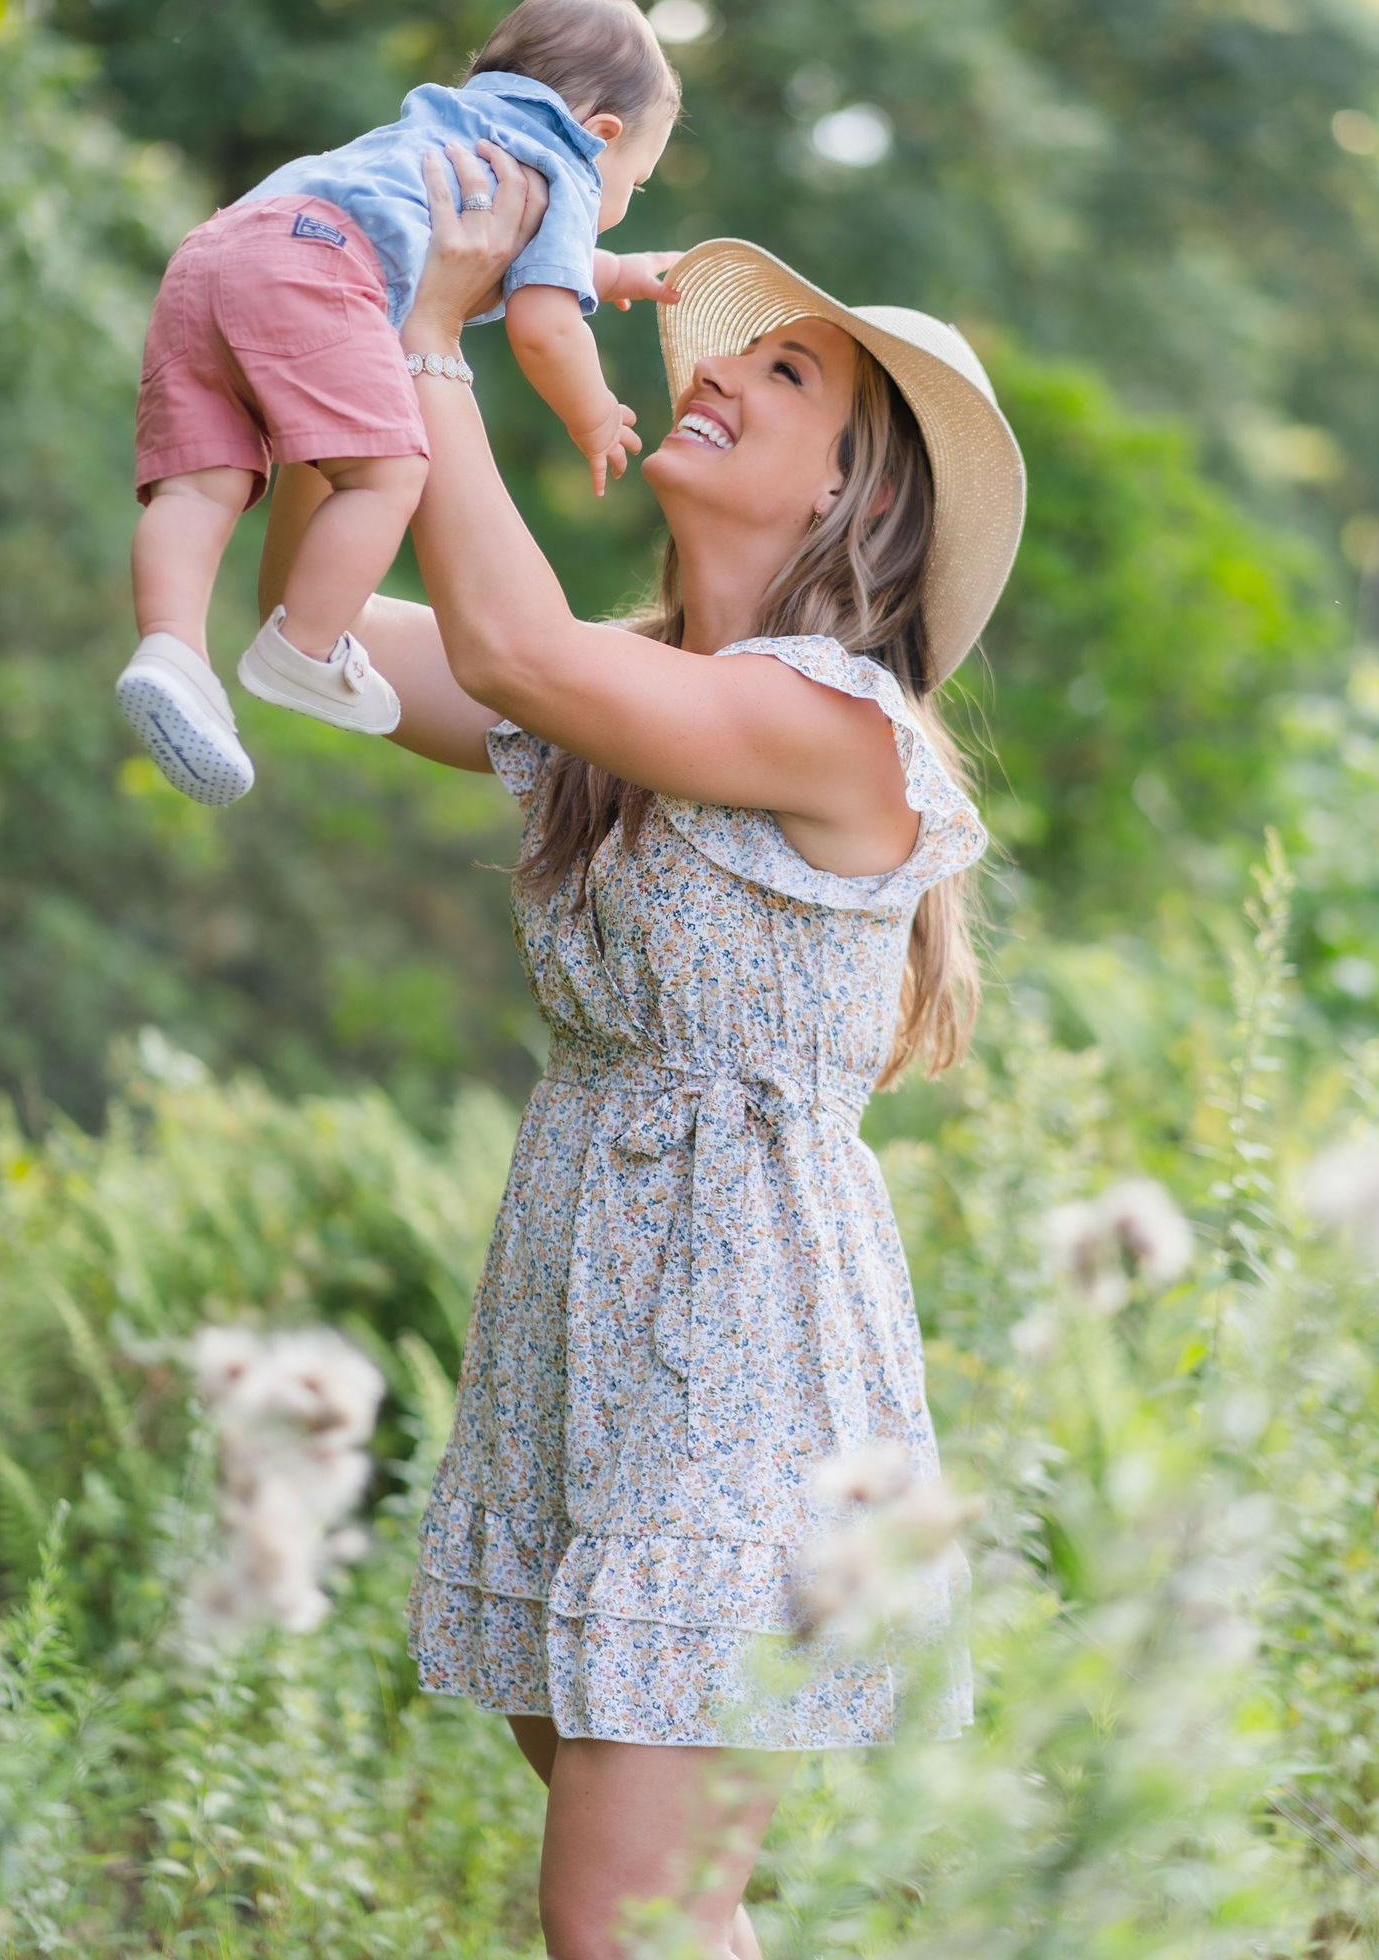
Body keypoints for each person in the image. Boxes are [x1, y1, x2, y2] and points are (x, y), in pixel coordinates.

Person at [262, 144, 1026, 1960]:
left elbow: (513, 650)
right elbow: (309, 611)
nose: (719, 370)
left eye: (786, 372)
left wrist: (444, 336)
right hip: (581, 1297)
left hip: (741, 1333)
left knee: (617, 1918)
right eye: (730, 351)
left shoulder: (834, 724)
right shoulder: (621, 692)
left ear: (850, 485)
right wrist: (349, 293)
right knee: (674, 1917)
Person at [115, 0, 682, 806]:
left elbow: (510, 242)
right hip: (318, 263)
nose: (624, 201)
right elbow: (544, 325)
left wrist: (619, 272)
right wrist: (592, 415)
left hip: (223, 243)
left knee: (201, 486)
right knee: (387, 474)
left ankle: (171, 653)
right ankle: (307, 647)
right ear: (604, 136)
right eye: (640, 180)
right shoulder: (566, 163)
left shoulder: (454, 121)